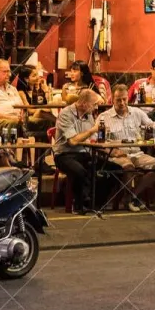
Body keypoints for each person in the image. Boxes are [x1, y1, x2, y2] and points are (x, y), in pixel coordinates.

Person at [98, 83, 155, 212]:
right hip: (117, 154)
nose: (122, 103)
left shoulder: (137, 112)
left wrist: (153, 128)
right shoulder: (104, 117)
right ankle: (130, 199)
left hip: (137, 153)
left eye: (124, 99)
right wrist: (111, 152)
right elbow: (96, 141)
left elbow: (154, 125)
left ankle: (133, 195)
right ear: (112, 99)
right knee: (128, 167)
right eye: (118, 100)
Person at [53, 88, 105, 216]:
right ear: (84, 104)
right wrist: (93, 130)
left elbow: (92, 140)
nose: (96, 107)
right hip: (64, 154)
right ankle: (79, 205)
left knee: (111, 168)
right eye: (94, 104)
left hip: (84, 153)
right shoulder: (66, 114)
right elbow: (73, 141)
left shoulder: (89, 114)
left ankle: (95, 203)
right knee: (80, 171)